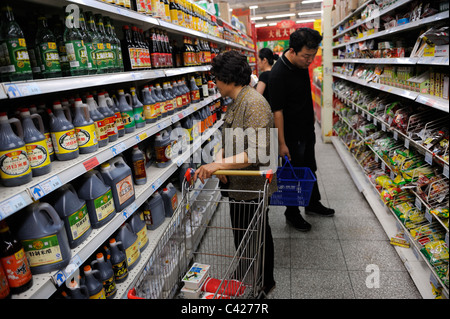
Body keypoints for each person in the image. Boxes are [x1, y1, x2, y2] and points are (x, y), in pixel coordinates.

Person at [193, 50, 277, 297]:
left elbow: (260, 152)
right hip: (239, 184)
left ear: (228, 79)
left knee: (259, 233)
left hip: (254, 185)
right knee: (241, 231)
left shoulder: (254, 104)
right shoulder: (238, 101)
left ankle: (266, 280)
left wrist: (218, 166)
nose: (214, 83)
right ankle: (247, 267)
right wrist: (220, 158)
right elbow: (232, 137)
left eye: (216, 78)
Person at [268, 28, 335, 232]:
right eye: (306, 56)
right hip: (290, 134)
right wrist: (281, 144)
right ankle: (292, 213)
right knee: (293, 174)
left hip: (306, 128)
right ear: (293, 50)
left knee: (310, 168)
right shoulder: (278, 74)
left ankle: (312, 203)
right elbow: (277, 111)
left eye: (312, 56)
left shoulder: (301, 63)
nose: (309, 61)